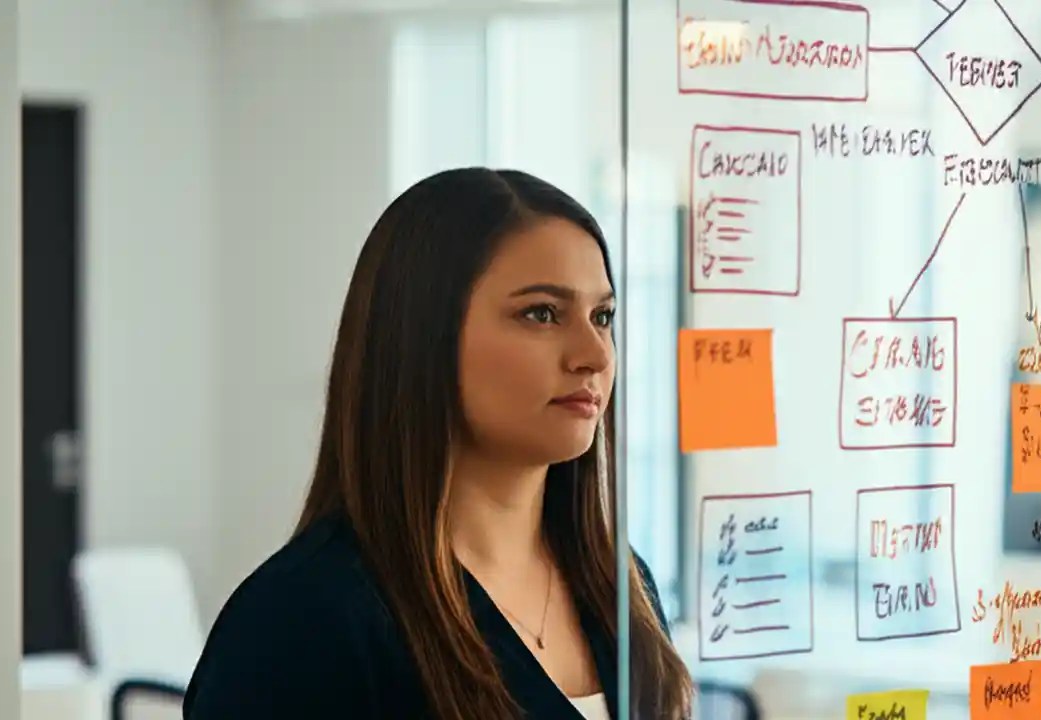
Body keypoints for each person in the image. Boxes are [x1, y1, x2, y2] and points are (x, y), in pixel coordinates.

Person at [182, 168, 693, 719]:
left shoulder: (621, 587)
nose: (594, 354)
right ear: (422, 336)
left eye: (603, 316)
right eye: (541, 314)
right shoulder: (304, 618)